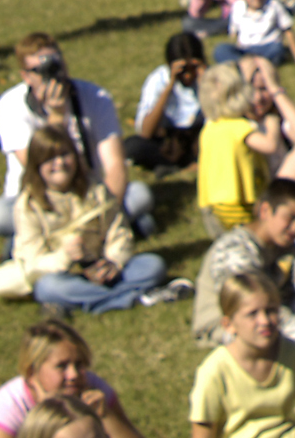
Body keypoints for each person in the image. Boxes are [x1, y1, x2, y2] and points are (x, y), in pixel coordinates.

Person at [0, 34, 156, 240]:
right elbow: (42, 168)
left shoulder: (96, 97)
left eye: (56, 67)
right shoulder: (10, 105)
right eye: (41, 71)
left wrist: (106, 208)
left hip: (90, 192)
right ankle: (105, 229)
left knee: (139, 195)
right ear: (26, 76)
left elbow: (114, 164)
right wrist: (57, 118)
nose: (53, 77)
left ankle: (86, 230)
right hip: (40, 201)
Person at [9, 127, 173, 314]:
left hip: (102, 268)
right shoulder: (29, 205)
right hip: (64, 275)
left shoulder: (95, 188)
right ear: (37, 166)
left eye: (65, 155)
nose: (60, 163)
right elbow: (33, 261)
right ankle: (130, 298)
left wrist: (113, 262)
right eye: (50, 159)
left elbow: (118, 230)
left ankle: (91, 301)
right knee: (47, 288)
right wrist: (65, 256)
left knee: (153, 265)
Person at [191, 177, 295, 350]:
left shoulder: (286, 244)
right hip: (231, 325)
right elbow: (254, 305)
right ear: (265, 211)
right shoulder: (234, 250)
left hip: (276, 311)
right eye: (290, 218)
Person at [189, 273, 295, 438]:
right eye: (252, 314)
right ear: (229, 324)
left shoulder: (290, 352)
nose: (264, 321)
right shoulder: (214, 370)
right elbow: (203, 432)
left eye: (271, 311)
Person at [197, 60, 295, 230]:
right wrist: (272, 127)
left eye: (264, 88)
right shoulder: (230, 122)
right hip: (242, 198)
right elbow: (270, 145)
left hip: (235, 198)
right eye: (250, 90)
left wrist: (276, 90)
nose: (258, 97)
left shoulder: (273, 115)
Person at [0, 319, 146, 438]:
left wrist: (106, 416)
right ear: (32, 371)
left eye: (79, 364)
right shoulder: (9, 405)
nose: (74, 374)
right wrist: (46, 413)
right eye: (61, 366)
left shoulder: (94, 388)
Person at [127, 31, 206, 172]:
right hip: (170, 140)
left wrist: (205, 82)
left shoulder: (210, 77)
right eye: (183, 70)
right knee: (133, 146)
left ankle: (182, 165)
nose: (188, 76)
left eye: (192, 69)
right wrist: (169, 86)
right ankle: (176, 165)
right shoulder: (158, 80)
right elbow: (145, 132)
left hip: (199, 137)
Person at [214, 0, 295, 68]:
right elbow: (234, 34)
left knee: (278, 50)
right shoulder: (238, 7)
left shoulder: (274, 4)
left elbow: (288, 30)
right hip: (247, 49)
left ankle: (254, 66)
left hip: (268, 46)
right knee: (221, 50)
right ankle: (245, 64)